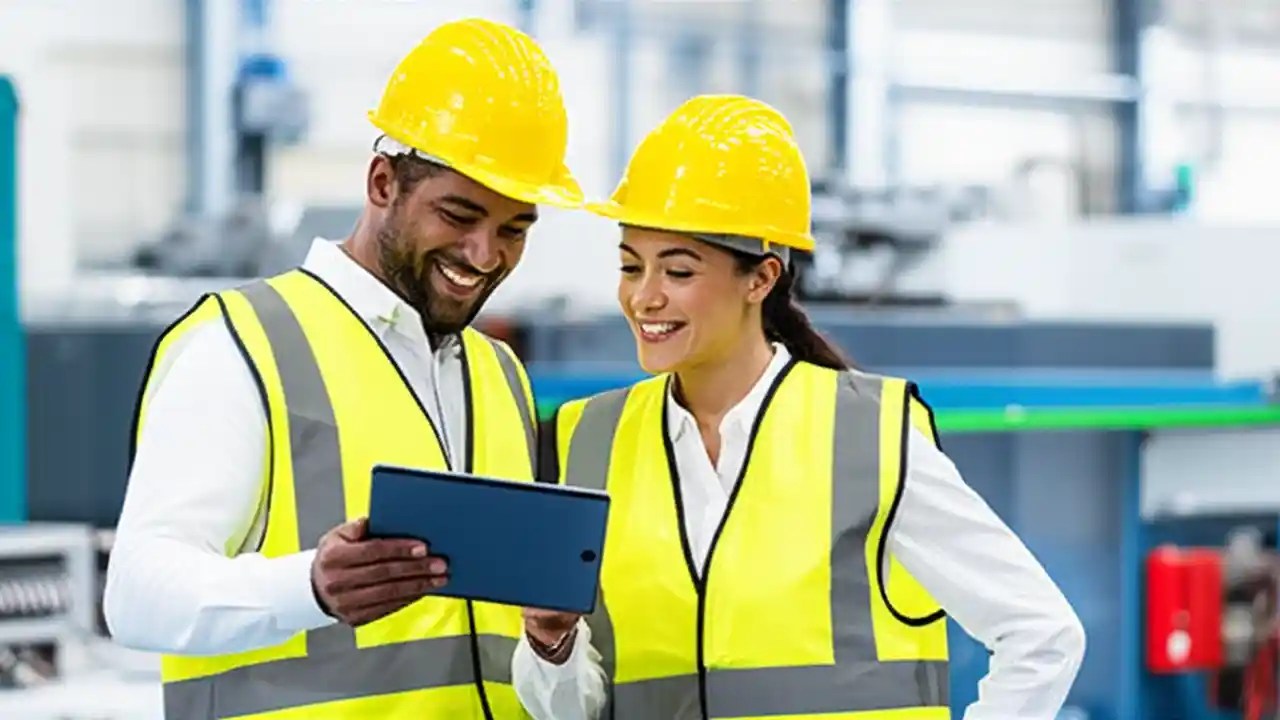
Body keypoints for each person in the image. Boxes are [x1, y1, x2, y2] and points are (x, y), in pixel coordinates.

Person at [511, 95, 1087, 719]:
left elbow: (1043, 635)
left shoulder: (864, 437)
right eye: (630, 266)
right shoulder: (590, 440)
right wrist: (551, 644)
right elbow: (574, 712)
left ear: (760, 279)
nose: (644, 298)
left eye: (678, 272)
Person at [103, 17, 582, 719]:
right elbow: (137, 593)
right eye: (458, 215)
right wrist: (310, 588)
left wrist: (551, 649)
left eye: (514, 229)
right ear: (383, 182)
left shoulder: (499, 374)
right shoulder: (241, 346)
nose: (485, 255)